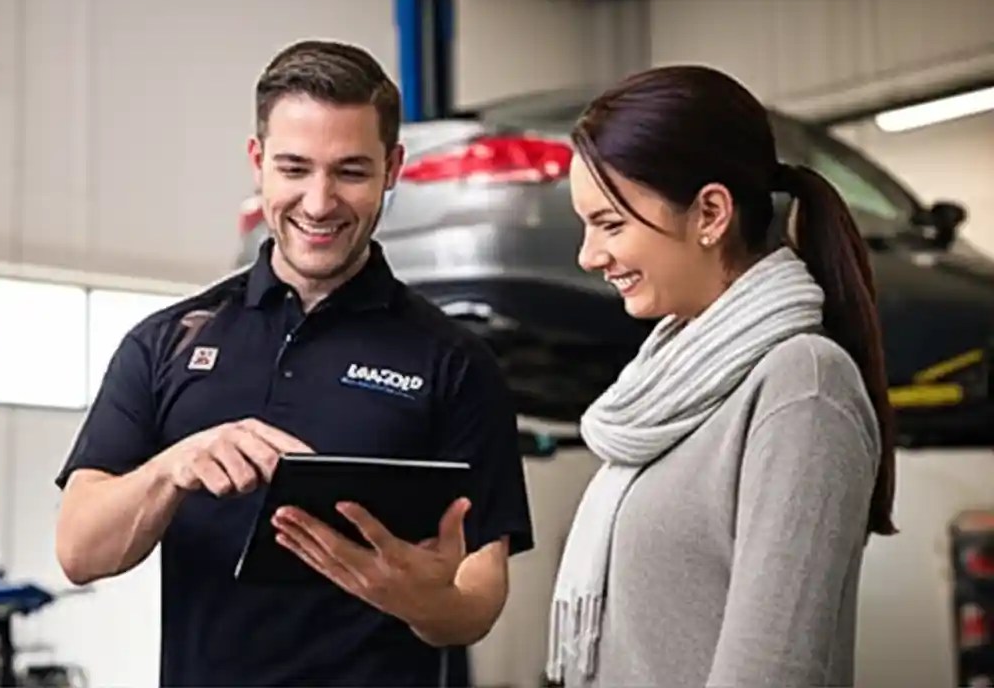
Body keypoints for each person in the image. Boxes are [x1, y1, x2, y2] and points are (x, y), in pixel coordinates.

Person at [53, 39, 534, 688]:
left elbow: (478, 598)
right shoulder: (165, 342)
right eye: (295, 168)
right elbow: (80, 551)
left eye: (351, 172)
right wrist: (172, 468)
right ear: (258, 163)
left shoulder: (455, 363)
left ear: (394, 168)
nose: (318, 202)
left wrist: (423, 598)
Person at [544, 65, 897, 687]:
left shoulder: (802, 387)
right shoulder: (664, 391)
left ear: (710, 212)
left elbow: (773, 672)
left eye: (609, 224)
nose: (588, 256)